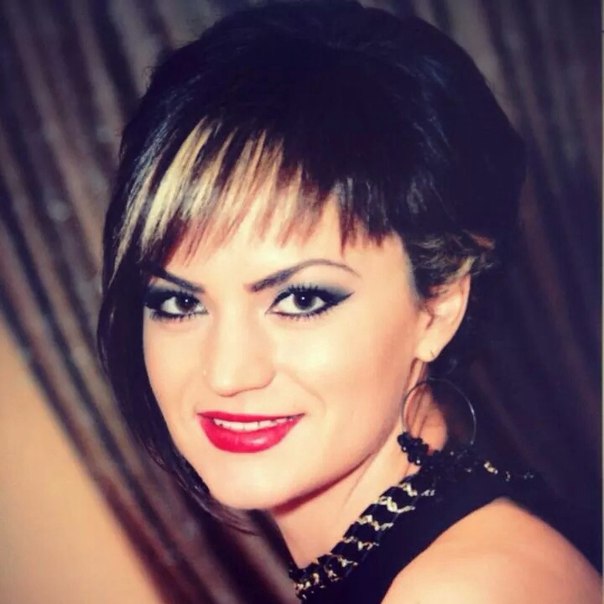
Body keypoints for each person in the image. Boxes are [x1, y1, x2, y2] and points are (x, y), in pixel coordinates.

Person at [97, 2, 601, 602]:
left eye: (300, 299)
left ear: (439, 302)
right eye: (180, 303)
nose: (227, 373)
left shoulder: (463, 589)